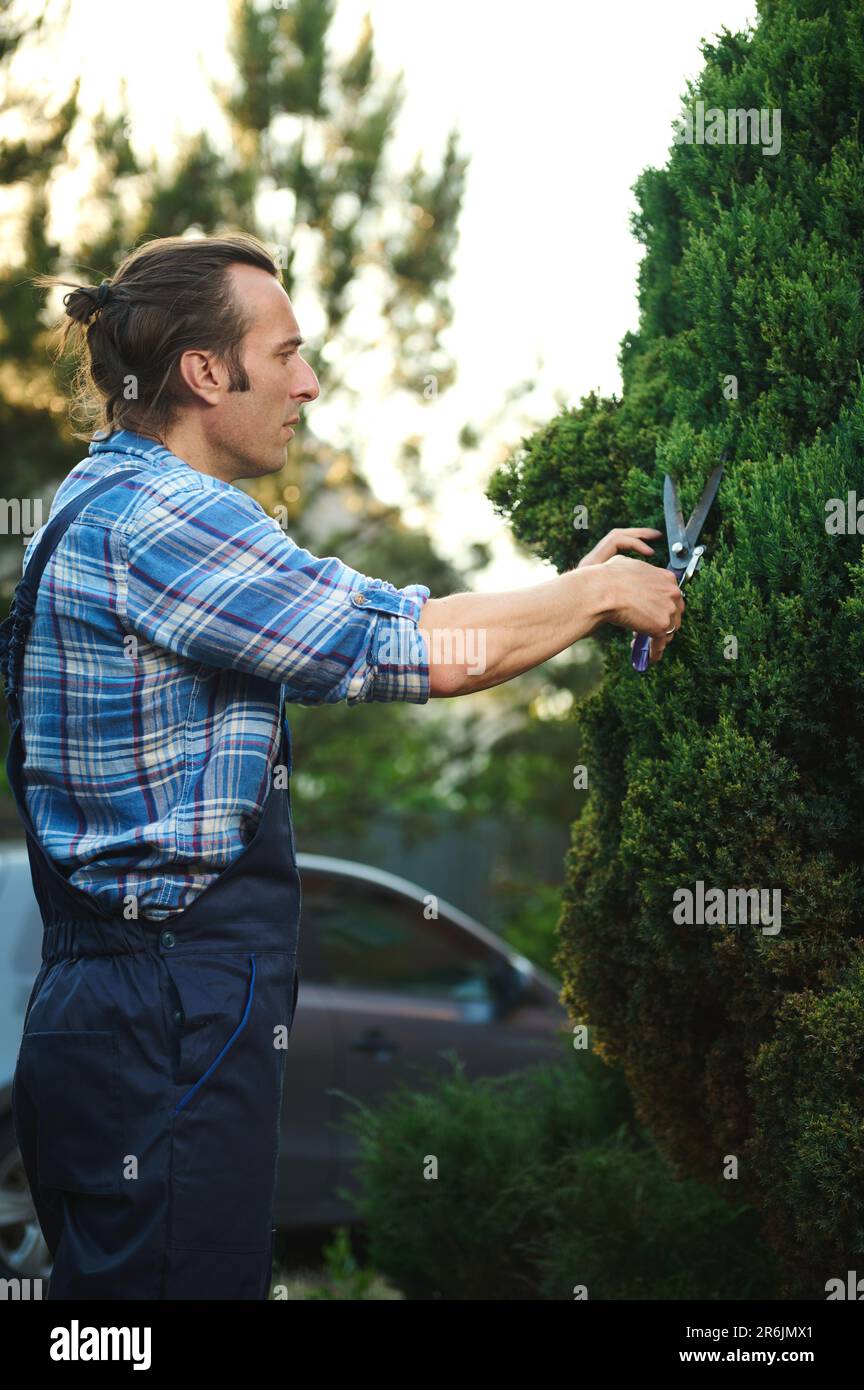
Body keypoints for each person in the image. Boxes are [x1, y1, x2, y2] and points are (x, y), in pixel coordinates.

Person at [2, 232, 683, 1301]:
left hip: (116, 1001)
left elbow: (385, 612)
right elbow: (405, 652)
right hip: (168, 1007)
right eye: (287, 356)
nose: (309, 384)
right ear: (205, 372)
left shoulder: (108, 504)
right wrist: (596, 601)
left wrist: (566, 588)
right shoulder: (167, 522)